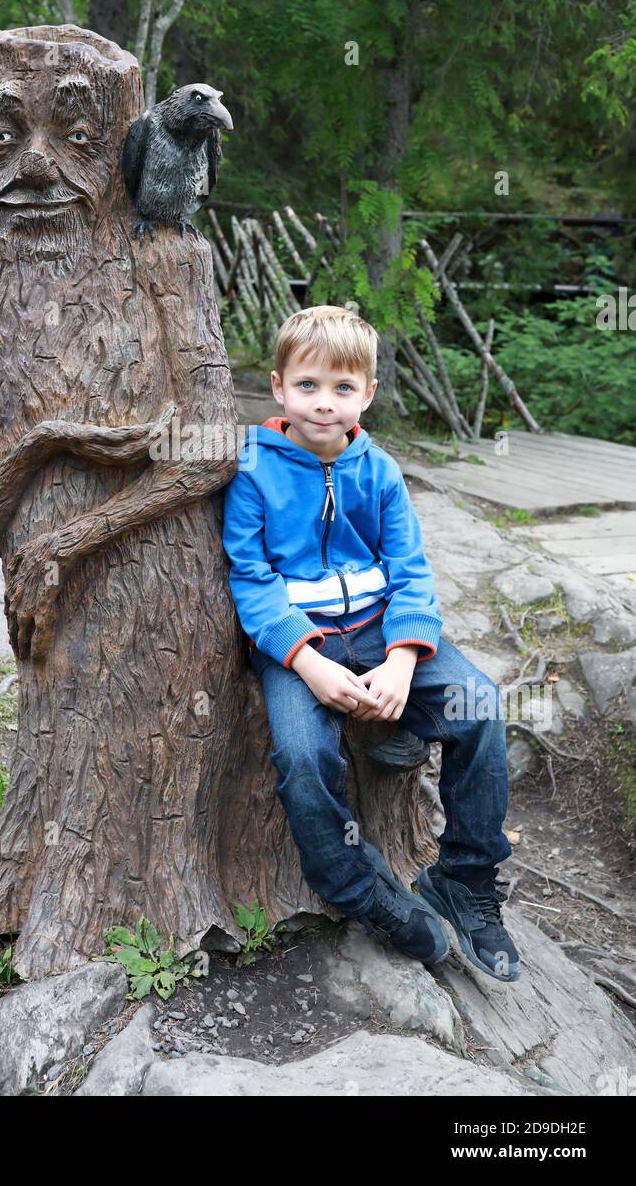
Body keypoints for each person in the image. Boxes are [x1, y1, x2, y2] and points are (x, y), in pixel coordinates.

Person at [221, 305, 520, 981]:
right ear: (278, 387)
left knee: (479, 706)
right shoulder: (252, 469)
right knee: (301, 755)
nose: (323, 404)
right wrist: (306, 661)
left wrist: (405, 658)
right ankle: (355, 885)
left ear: (368, 394)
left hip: (384, 632)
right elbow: (251, 577)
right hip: (301, 646)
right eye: (308, 386)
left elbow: (412, 571)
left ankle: (465, 878)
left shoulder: (379, 471)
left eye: (342, 388)